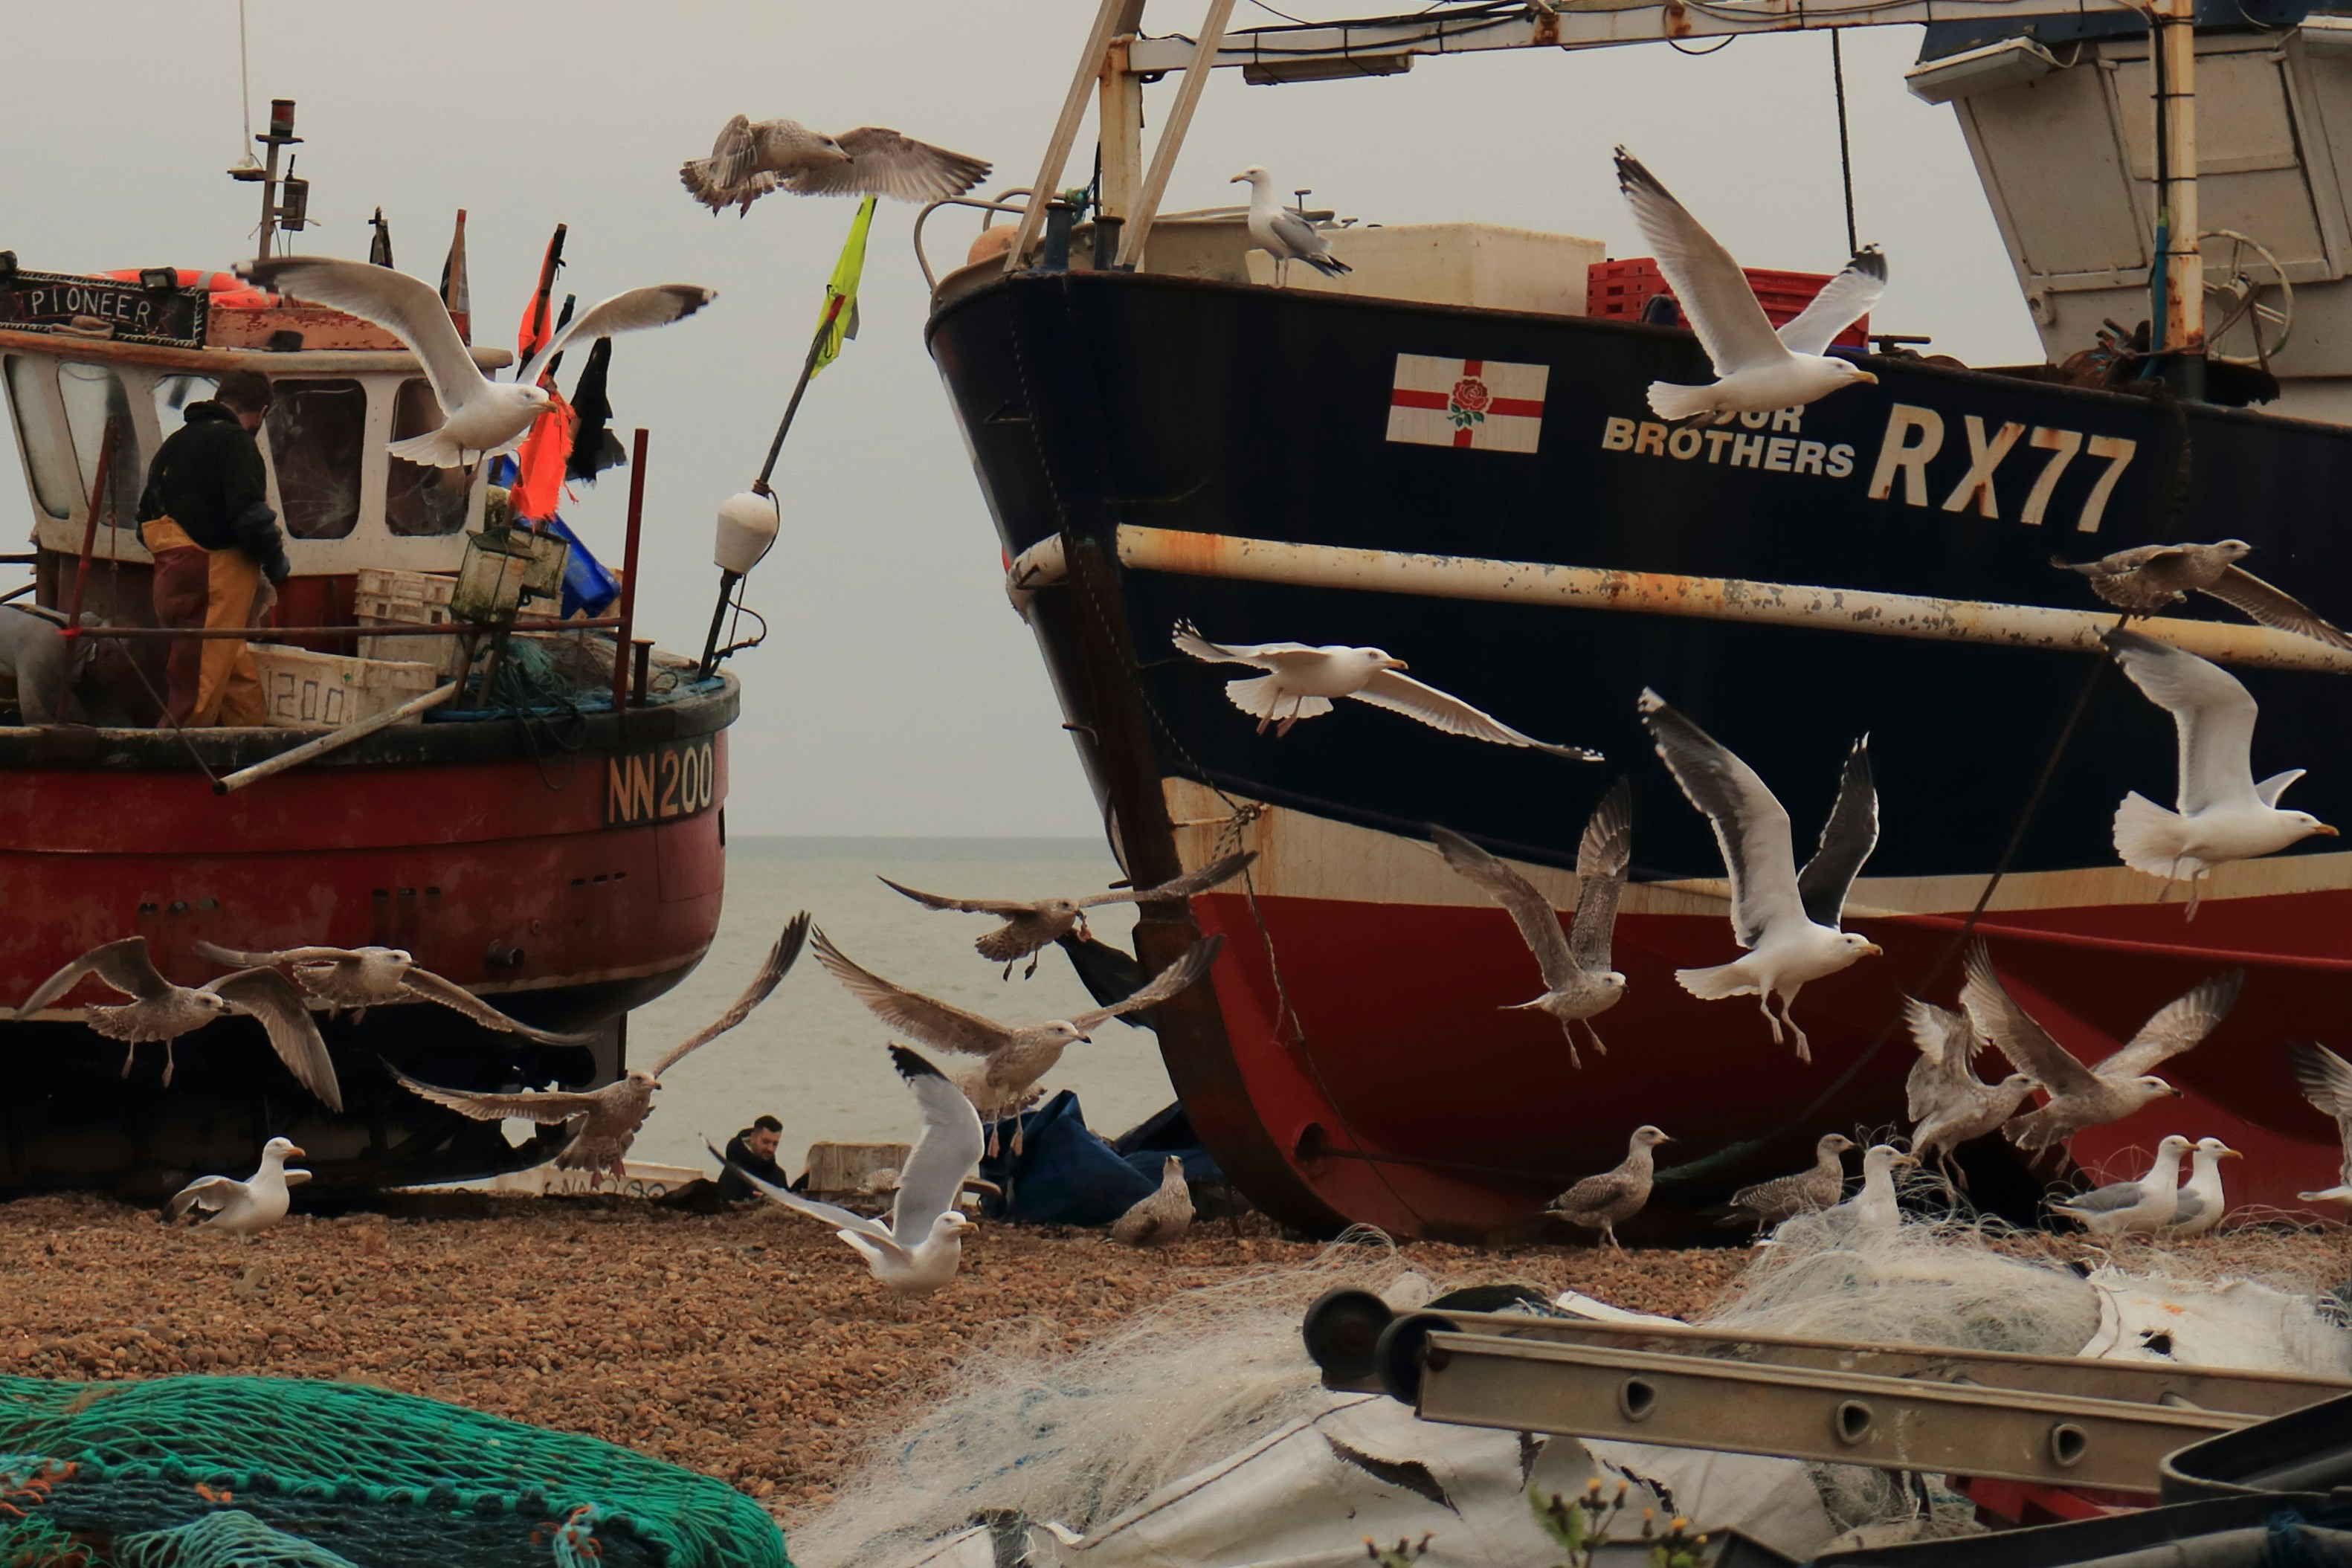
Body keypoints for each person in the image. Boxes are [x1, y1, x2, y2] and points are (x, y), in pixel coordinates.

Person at [135, 369, 291, 727]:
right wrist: (275, 562)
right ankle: (174, 763)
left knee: (234, 670)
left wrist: (177, 556)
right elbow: (250, 517)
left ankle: (251, 745)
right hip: (212, 577)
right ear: (262, 412)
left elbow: (144, 520)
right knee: (199, 687)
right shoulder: (236, 442)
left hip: (170, 574)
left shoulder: (176, 442)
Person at [715, 1115, 789, 1203]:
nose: (770, 1149)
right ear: (753, 1138)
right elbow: (728, 1213)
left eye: (775, 1144)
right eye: (765, 1142)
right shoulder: (733, 1173)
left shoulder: (779, 1175)